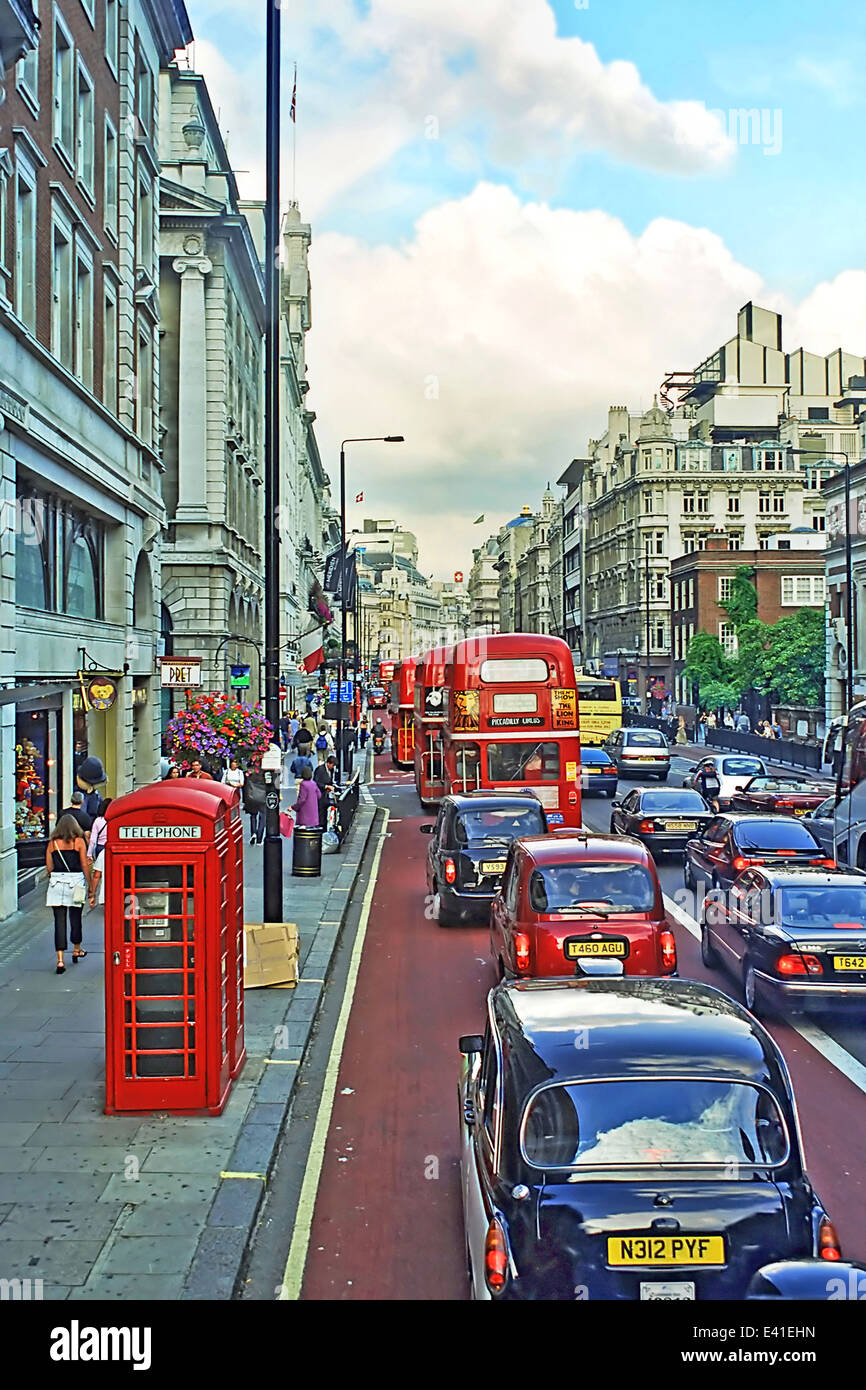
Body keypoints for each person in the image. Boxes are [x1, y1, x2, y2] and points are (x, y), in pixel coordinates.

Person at [45, 814, 92, 974]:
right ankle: (76, 949)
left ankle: (60, 960)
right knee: (75, 917)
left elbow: (49, 867)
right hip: (76, 882)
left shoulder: (52, 844)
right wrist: (91, 885)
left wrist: (56, 877)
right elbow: (85, 865)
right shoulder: (78, 842)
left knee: (59, 921)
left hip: (57, 883)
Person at [87, 797, 112, 907]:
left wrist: (89, 854)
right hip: (112, 846)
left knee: (100, 873)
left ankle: (97, 893)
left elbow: (93, 839)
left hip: (100, 848)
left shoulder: (98, 821)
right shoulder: (113, 819)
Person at [242, 766, 267, 844]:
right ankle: (259, 838)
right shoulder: (265, 772)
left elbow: (245, 786)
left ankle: (253, 833)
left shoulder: (250, 772)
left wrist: (245, 800)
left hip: (252, 797)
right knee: (262, 817)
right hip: (262, 797)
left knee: (253, 816)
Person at [314, 754, 340, 829]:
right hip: (319, 795)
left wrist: (333, 786)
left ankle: (324, 827)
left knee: (324, 812)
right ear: (328, 763)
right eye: (332, 765)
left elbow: (330, 781)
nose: (333, 767)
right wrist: (325, 786)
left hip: (326, 795)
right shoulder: (320, 770)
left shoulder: (331, 770)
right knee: (320, 813)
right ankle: (320, 828)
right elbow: (316, 782)